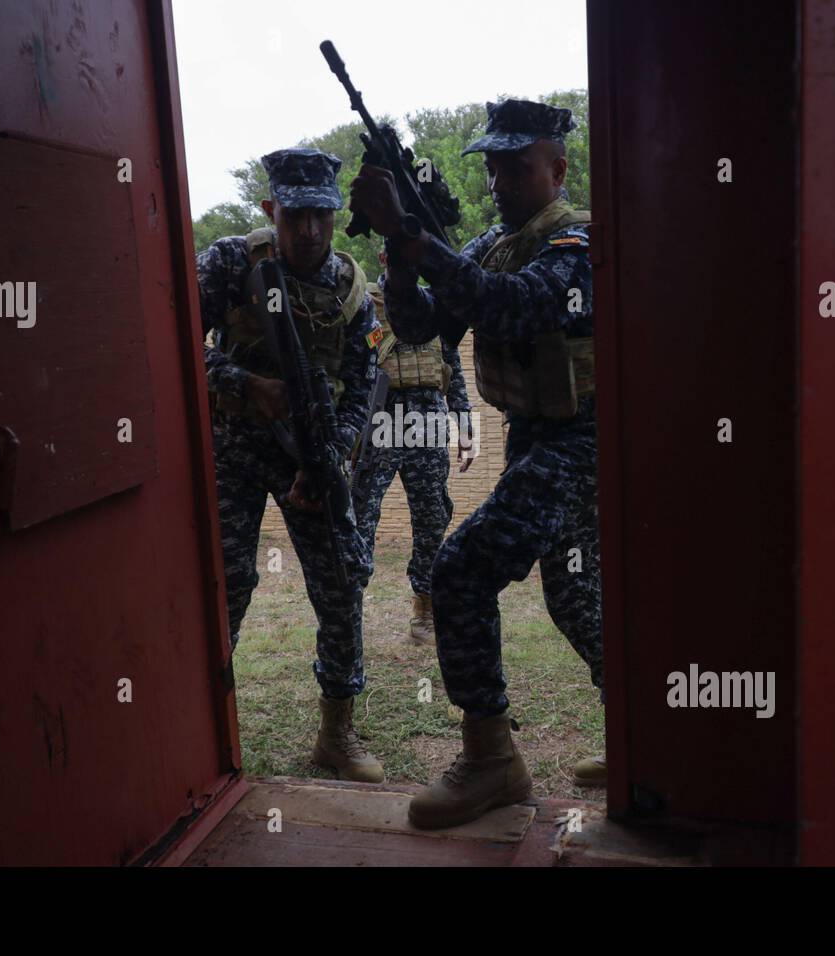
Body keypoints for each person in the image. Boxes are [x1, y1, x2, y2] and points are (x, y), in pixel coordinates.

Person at [350, 99, 605, 828]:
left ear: (556, 169)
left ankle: (492, 760)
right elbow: (427, 325)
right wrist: (402, 266)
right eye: (490, 167)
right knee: (575, 594)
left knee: (460, 571)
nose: (498, 181)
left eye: (515, 166)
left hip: (580, 440)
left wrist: (416, 235)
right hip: (536, 436)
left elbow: (516, 308)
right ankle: (650, 726)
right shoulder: (497, 240)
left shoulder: (576, 244)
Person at [198, 147, 383, 782]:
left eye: (322, 217)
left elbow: (367, 376)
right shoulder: (229, 263)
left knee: (341, 582)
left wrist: (336, 455)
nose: (309, 231)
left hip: (310, 455)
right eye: (296, 215)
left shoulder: (352, 289)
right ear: (271, 208)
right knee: (226, 581)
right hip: (236, 446)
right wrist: (243, 380)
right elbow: (167, 339)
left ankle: (337, 733)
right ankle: (202, 725)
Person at [352, 279, 475, 645]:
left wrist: (465, 426)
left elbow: (451, 366)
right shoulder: (367, 305)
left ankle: (424, 609)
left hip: (429, 423)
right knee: (361, 517)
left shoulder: (434, 305)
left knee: (432, 517)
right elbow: (353, 365)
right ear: (384, 257)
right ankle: (348, 611)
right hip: (380, 420)